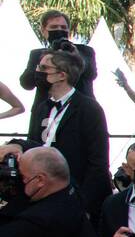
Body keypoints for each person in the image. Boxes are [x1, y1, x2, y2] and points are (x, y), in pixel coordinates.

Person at [21, 49, 110, 223]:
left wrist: (82, 203)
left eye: (44, 68)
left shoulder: (89, 109)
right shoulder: (42, 107)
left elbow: (98, 162)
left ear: (62, 75)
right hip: (43, 197)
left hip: (75, 197)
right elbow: (33, 144)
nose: (38, 71)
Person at [20, 10, 98, 105]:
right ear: (44, 31)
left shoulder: (85, 50)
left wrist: (74, 54)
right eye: (54, 27)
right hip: (45, 110)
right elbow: (26, 84)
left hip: (80, 109)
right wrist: (45, 61)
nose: (59, 30)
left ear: (68, 30)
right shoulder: (37, 54)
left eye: (63, 27)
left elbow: (91, 73)